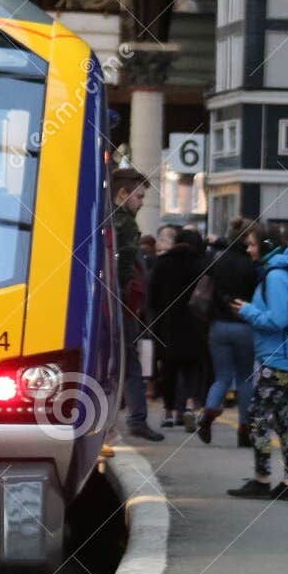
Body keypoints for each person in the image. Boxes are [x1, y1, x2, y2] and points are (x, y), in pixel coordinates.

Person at [229, 227, 288, 499]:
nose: (248, 250)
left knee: (257, 417)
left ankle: (262, 479)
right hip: (286, 358)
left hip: (279, 358)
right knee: (285, 421)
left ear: (265, 246)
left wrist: (248, 311)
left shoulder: (275, 276)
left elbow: (278, 320)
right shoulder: (279, 272)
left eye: (251, 245)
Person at [196, 219, 258, 446]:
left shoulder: (217, 259)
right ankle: (244, 429)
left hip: (218, 325)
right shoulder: (252, 264)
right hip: (244, 325)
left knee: (221, 376)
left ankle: (209, 413)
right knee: (244, 378)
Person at [112, 168, 162, 441]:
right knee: (131, 363)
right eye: (139, 196)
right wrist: (120, 299)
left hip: (110, 304)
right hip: (122, 306)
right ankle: (138, 419)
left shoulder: (101, 216)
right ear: (123, 194)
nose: (142, 202)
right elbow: (125, 266)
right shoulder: (127, 224)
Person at [148, 226, 207, 429]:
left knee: (168, 369)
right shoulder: (201, 264)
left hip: (167, 324)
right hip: (195, 324)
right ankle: (190, 405)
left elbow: (152, 296)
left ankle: (168, 411)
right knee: (192, 367)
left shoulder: (162, 264)